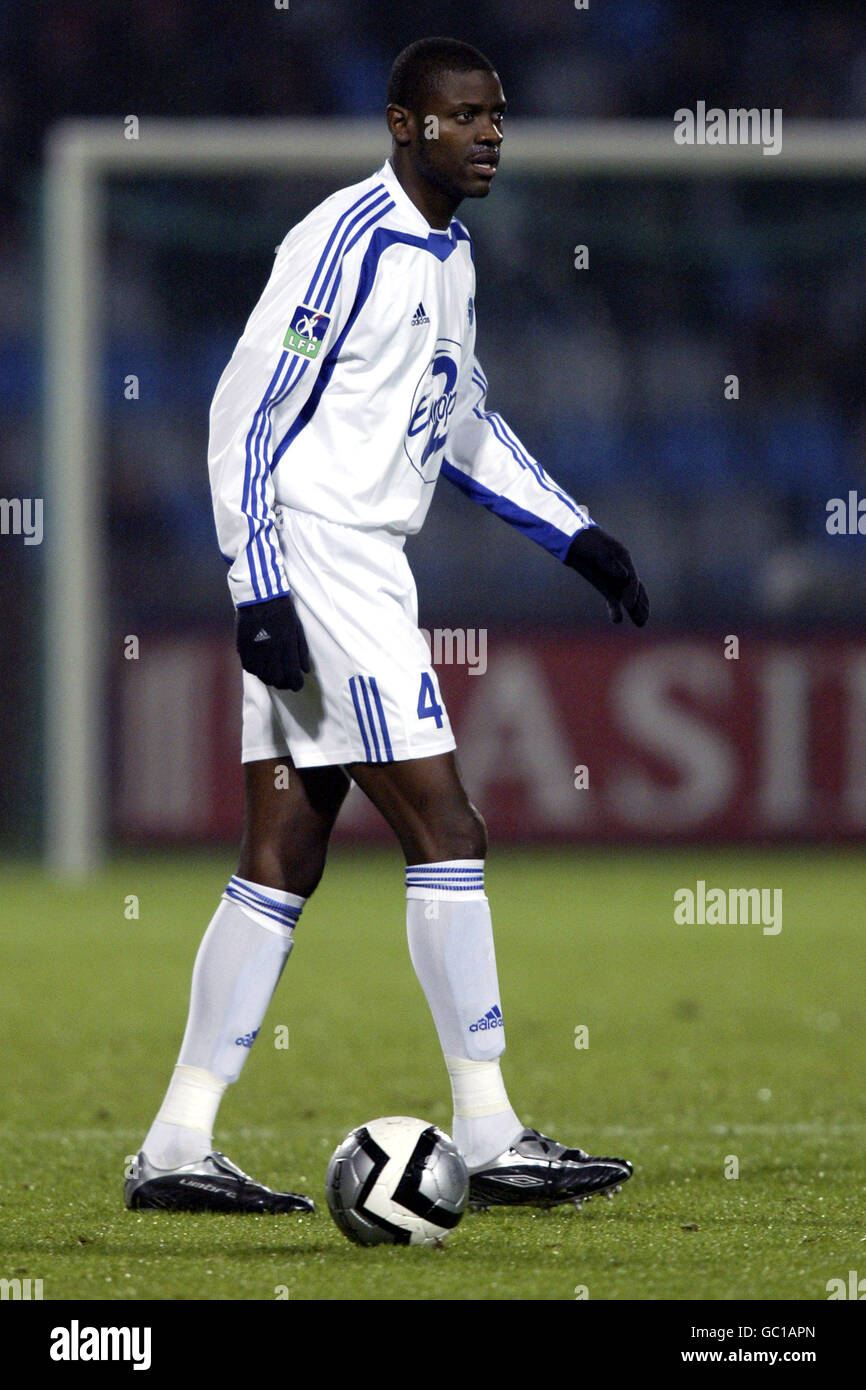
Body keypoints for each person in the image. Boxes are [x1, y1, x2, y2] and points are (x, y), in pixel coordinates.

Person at [125, 36, 648, 1216]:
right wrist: (259, 583)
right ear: (404, 125)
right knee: (446, 822)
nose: (491, 136)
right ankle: (490, 1127)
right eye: (465, 117)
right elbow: (246, 415)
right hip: (320, 555)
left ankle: (172, 1145)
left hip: (350, 558)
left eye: (498, 117)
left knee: (284, 849)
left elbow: (457, 420)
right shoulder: (341, 241)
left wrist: (573, 533)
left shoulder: (450, 257)